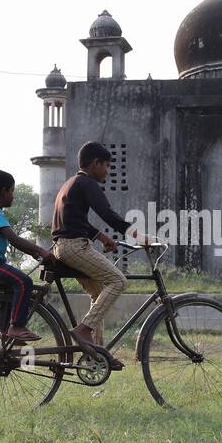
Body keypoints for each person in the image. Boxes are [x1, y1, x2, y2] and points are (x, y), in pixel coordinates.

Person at [51, 141, 140, 370]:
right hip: (75, 247)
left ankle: (96, 354)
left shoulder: (71, 183)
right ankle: (83, 330)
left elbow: (76, 221)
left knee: (99, 292)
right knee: (118, 280)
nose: (107, 172)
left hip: (64, 246)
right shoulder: (87, 182)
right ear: (95, 163)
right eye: (107, 166)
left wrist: (101, 237)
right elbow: (107, 213)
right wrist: (137, 235)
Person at [0, 169, 49, 343]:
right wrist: (40, 251)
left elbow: (14, 241)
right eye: (12, 191)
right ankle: (16, 326)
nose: (13, 196)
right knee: (23, 282)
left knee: (10, 291)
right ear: (4, 191)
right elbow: (13, 239)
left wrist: (35, 254)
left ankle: (5, 332)